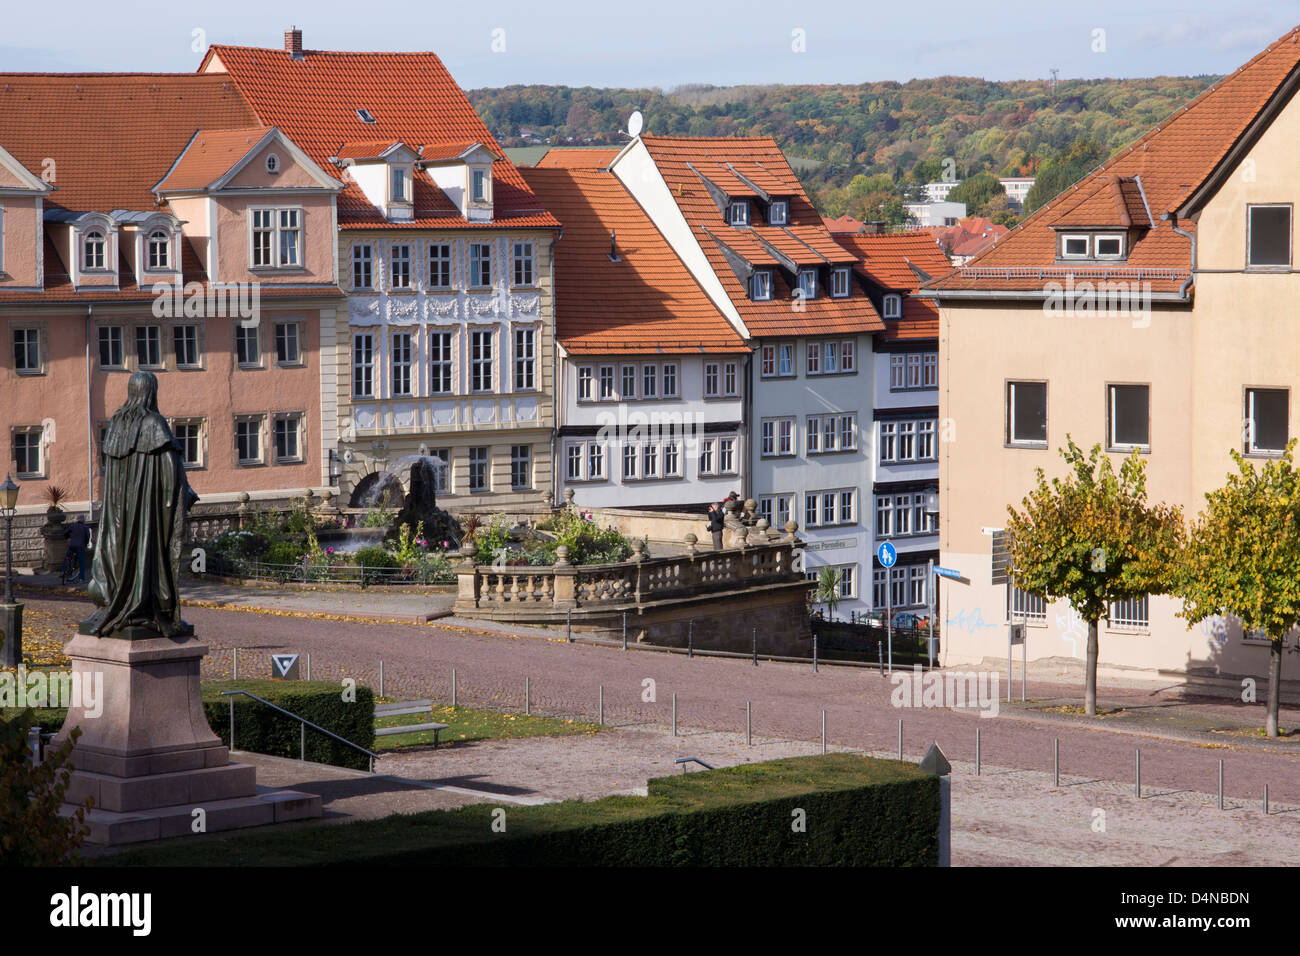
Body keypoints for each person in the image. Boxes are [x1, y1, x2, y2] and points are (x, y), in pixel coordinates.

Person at [64, 514, 91, 582]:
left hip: (72, 545)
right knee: (82, 562)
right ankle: (81, 578)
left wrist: (68, 538)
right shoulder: (85, 527)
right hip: (80, 546)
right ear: (83, 520)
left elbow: (65, 533)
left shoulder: (72, 526)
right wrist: (85, 544)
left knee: (67, 557)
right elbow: (87, 538)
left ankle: (64, 571)